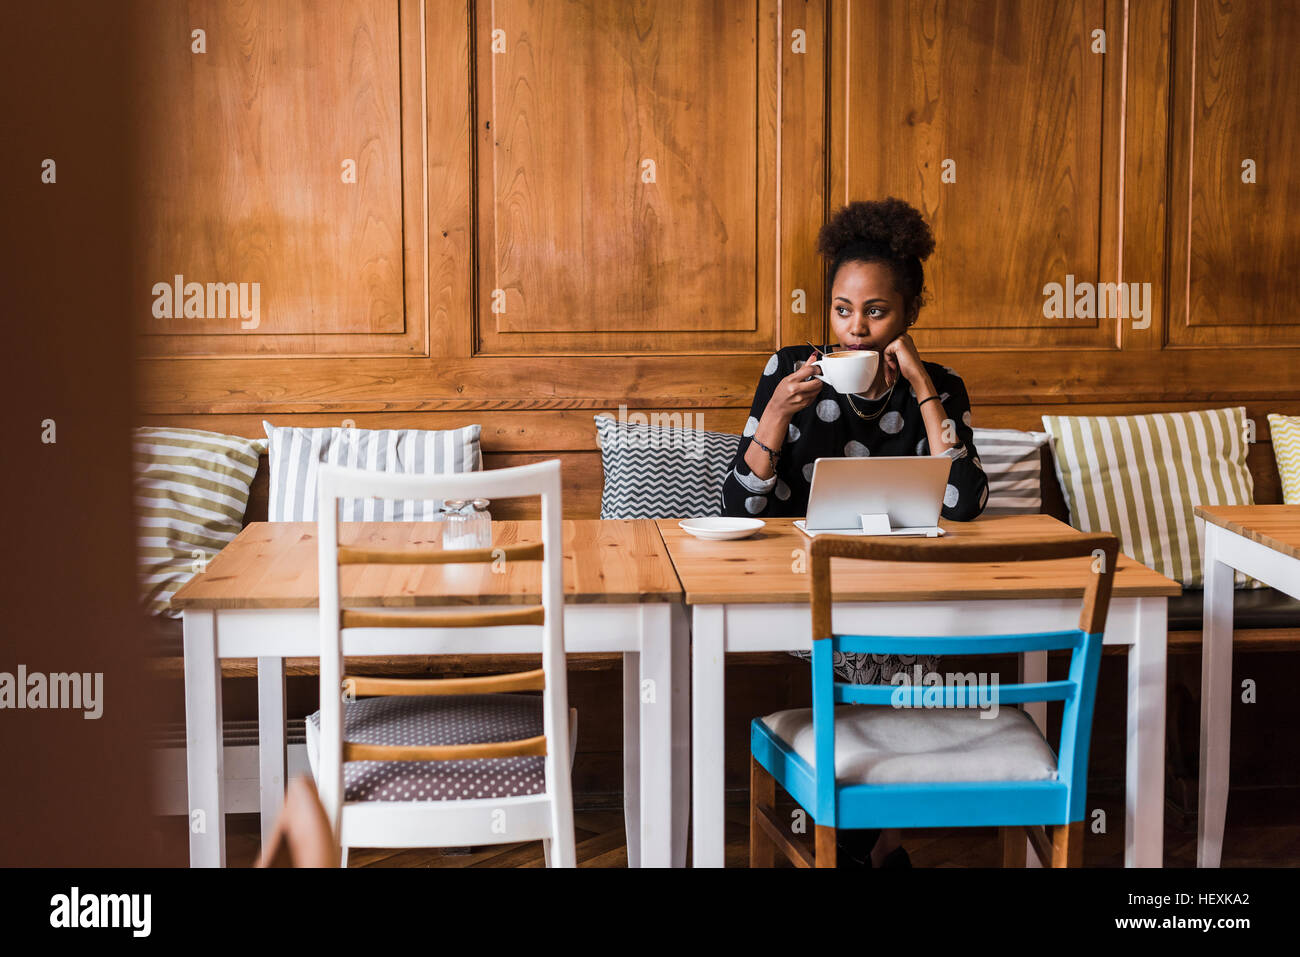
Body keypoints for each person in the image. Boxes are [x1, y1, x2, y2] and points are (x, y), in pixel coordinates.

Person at [722, 197, 990, 867]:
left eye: (877, 312)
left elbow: (963, 501)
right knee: (878, 659)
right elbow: (737, 506)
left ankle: (852, 841)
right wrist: (778, 414)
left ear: (910, 313)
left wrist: (925, 387)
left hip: (910, 595)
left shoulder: (941, 387)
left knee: (898, 644)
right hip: (806, 596)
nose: (857, 331)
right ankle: (879, 843)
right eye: (843, 310)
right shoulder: (790, 370)